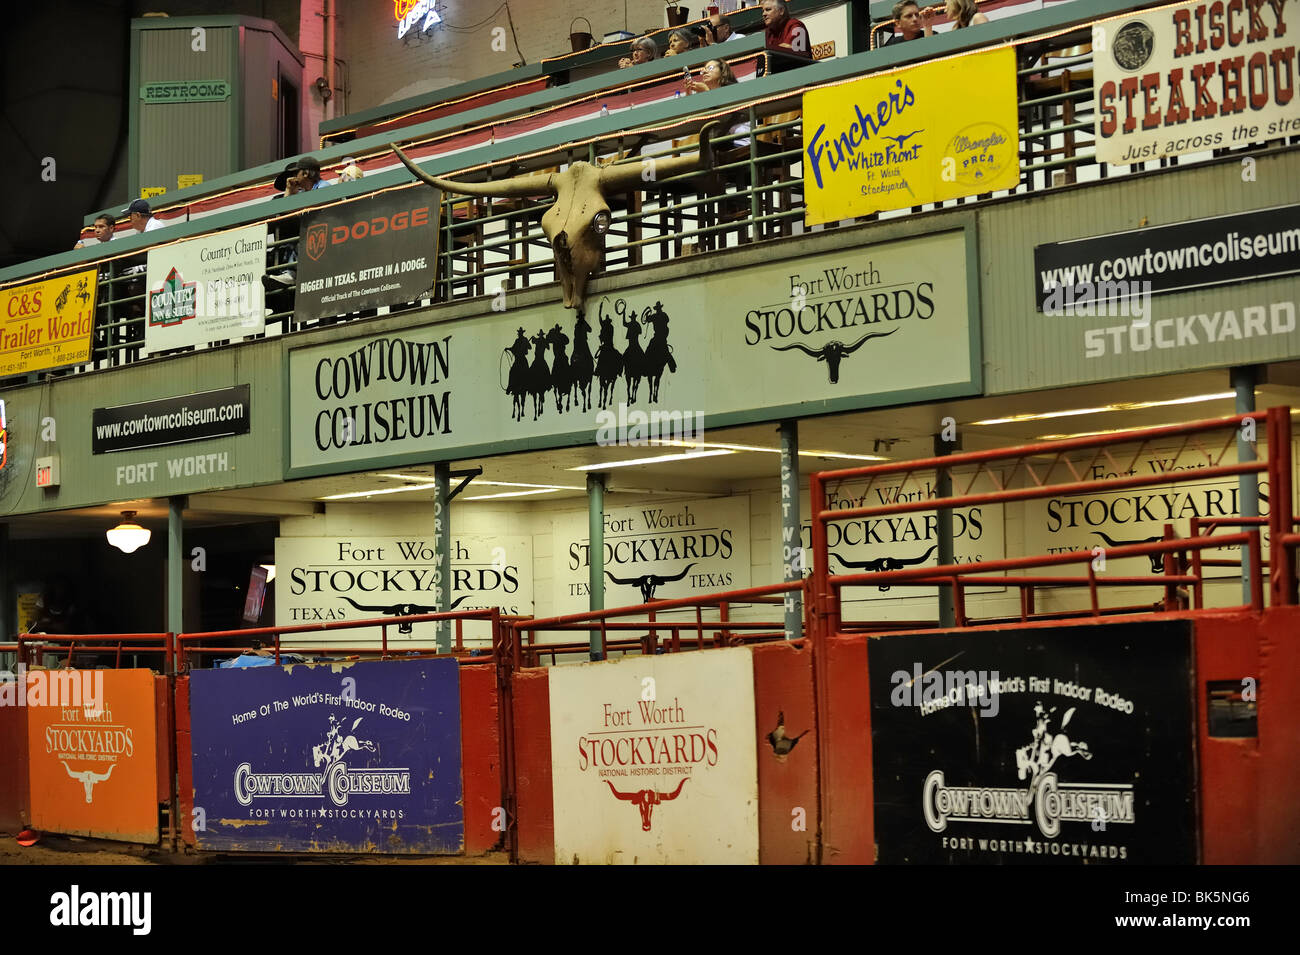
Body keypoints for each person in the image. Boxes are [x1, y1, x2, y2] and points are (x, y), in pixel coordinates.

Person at [683, 59, 751, 148]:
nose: (704, 72)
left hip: (740, 142)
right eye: (703, 70)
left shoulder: (733, 91)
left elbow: (724, 117)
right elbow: (693, 121)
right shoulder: (706, 96)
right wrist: (689, 94)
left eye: (710, 68)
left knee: (710, 147)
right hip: (719, 143)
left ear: (722, 71)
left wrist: (706, 92)